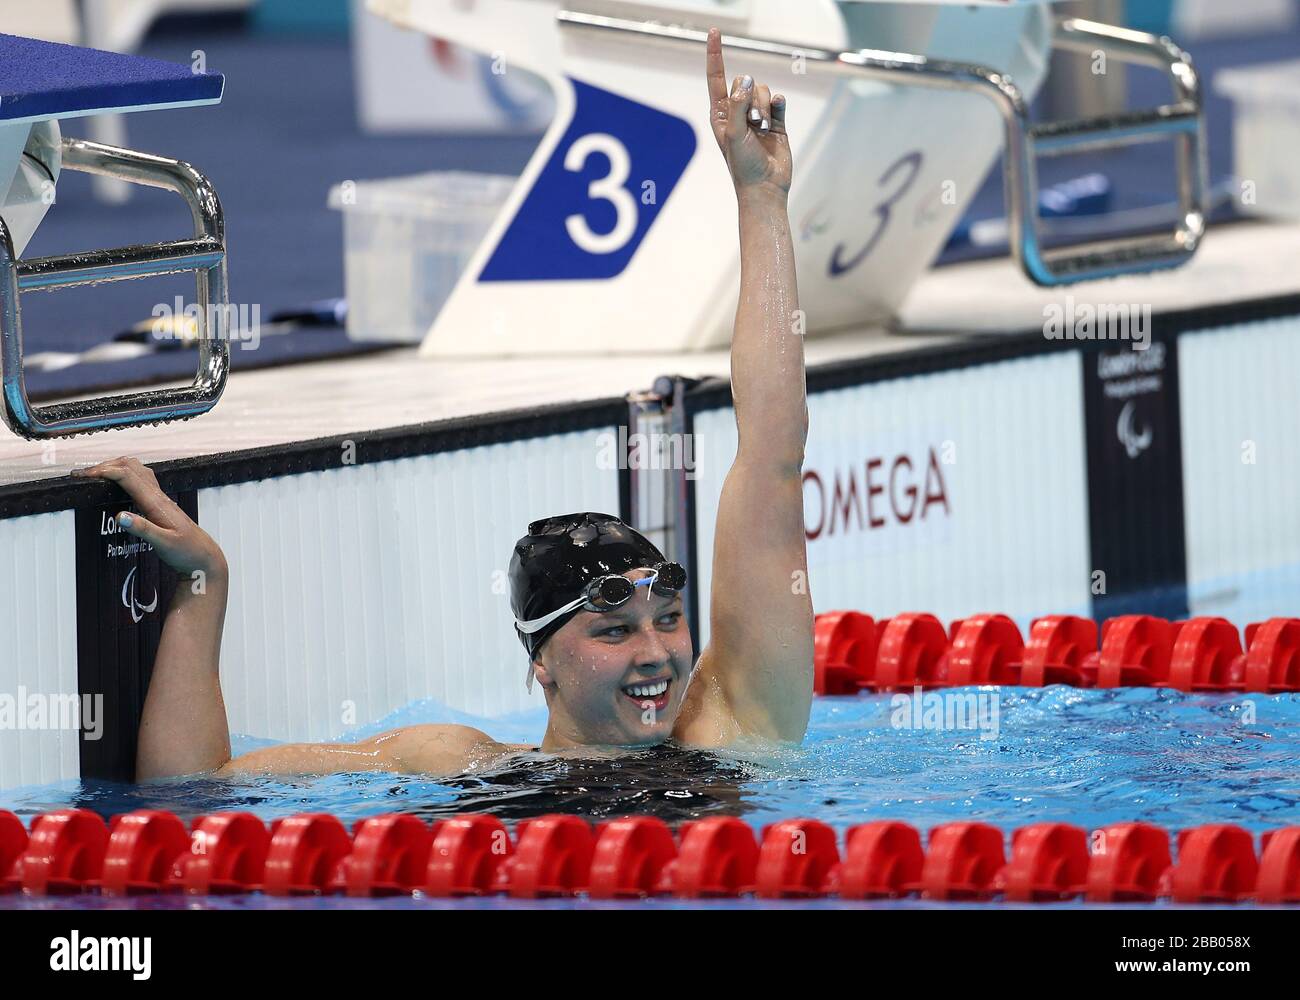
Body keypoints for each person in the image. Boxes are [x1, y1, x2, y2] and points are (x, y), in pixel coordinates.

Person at [76, 29, 813, 780]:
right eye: (615, 631)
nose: (657, 655)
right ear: (543, 665)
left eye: (666, 621)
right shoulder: (457, 762)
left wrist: (760, 201)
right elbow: (191, 795)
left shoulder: (727, 726)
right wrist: (205, 586)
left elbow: (772, 457)